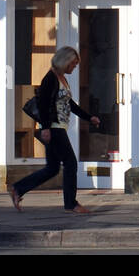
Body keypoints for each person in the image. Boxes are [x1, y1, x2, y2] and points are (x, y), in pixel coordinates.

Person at [9, 46, 100, 213]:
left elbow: (69, 104)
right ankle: (71, 204)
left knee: (52, 168)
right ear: (64, 61)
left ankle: (18, 188)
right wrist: (45, 128)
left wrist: (89, 117)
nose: (74, 67)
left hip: (56, 127)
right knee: (70, 163)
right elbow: (44, 104)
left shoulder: (61, 78)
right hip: (54, 128)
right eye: (72, 64)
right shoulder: (50, 78)